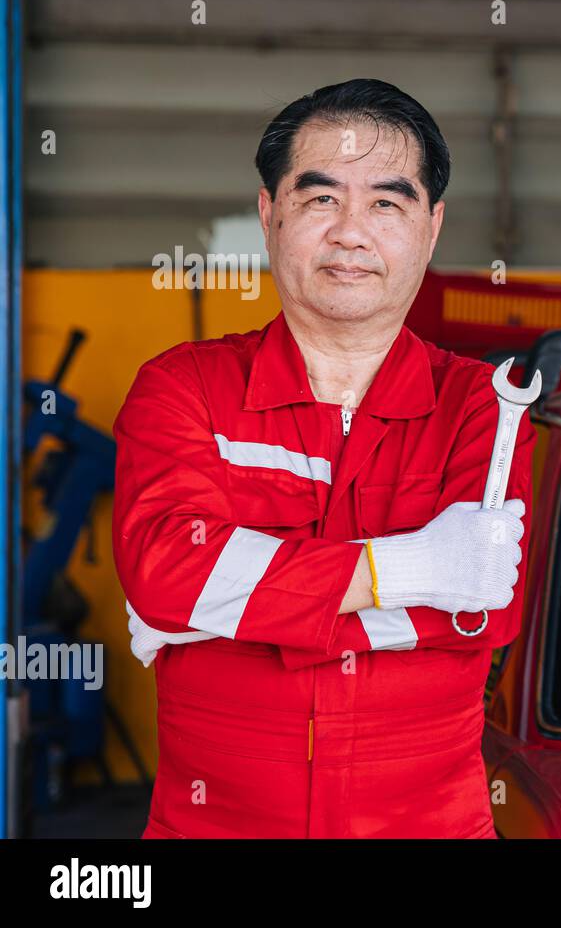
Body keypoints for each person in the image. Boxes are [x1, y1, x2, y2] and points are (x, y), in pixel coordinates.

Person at [112, 78, 533, 838]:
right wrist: (403, 573)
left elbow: (480, 612)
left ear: (431, 228)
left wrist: (227, 611)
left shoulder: (484, 406)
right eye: (319, 200)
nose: (350, 232)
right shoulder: (183, 388)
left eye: (386, 203)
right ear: (270, 214)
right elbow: (166, 575)